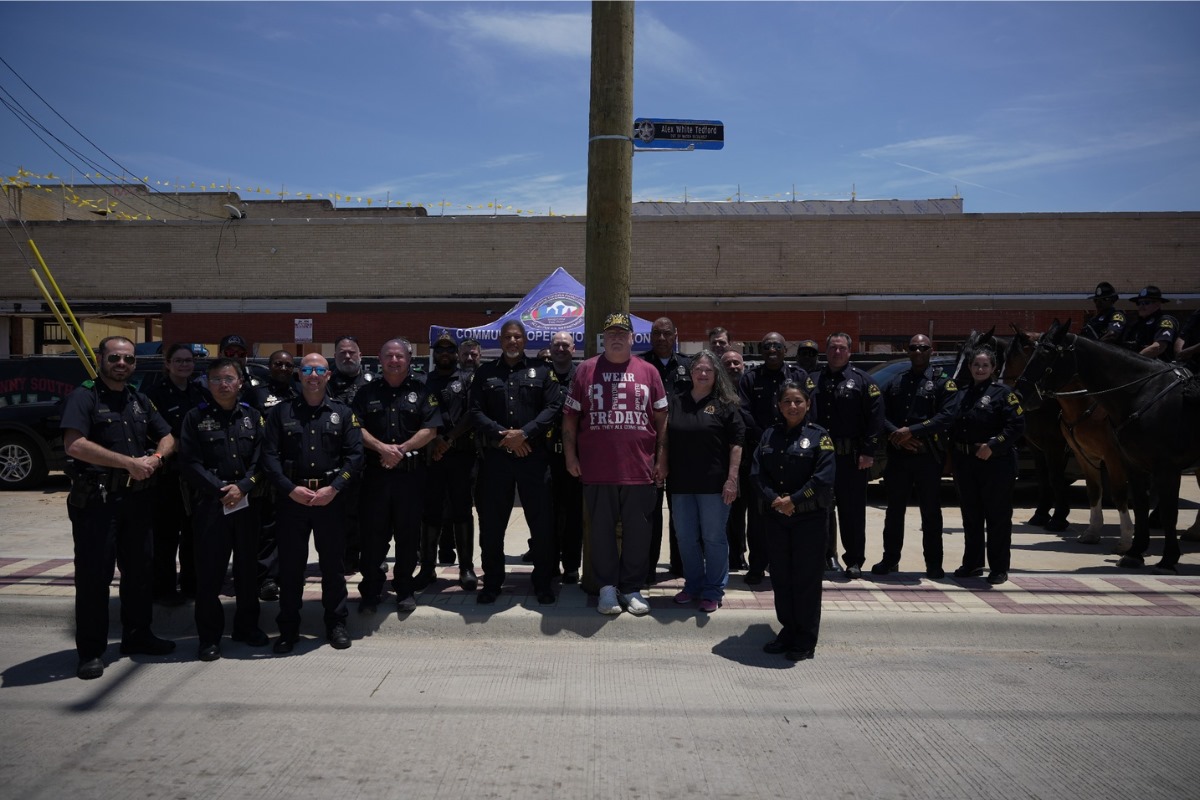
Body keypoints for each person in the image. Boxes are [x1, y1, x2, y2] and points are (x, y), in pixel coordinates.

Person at [61, 336, 177, 680]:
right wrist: (128, 462)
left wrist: (156, 458)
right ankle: (91, 651)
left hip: (137, 500)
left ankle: (138, 636)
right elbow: (74, 445)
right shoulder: (84, 396)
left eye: (128, 359)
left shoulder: (138, 399)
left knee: (140, 572)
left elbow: (168, 436)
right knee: (94, 577)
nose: (121, 364)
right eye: (114, 358)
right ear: (101, 359)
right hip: (97, 502)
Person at [563, 312, 669, 616]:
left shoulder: (649, 372)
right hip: (597, 469)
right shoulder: (585, 370)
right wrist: (571, 456)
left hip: (640, 468)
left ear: (632, 338)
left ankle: (632, 588)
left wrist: (662, 459)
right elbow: (570, 419)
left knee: (639, 532)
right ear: (603, 339)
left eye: (622, 333)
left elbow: (662, 420)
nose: (617, 338)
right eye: (611, 334)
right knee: (601, 531)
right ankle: (607, 588)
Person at [262, 353, 364, 653]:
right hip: (292, 500)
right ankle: (288, 628)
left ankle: (336, 623)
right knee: (291, 567)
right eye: (307, 369)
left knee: (332, 566)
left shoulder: (342, 413)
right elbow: (269, 457)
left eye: (319, 370)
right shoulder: (280, 412)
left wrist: (335, 488)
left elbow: (355, 456)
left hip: (329, 500)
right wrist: (289, 489)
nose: (313, 375)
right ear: (299, 374)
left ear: (328, 375)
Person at [899, 347, 1025, 585]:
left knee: (997, 516)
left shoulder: (1003, 394)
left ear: (993, 368)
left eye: (985, 365)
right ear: (969, 367)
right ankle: (973, 563)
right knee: (971, 515)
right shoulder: (962, 394)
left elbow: (1016, 426)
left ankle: (998, 567)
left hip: (996, 463)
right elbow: (951, 425)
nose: (980, 369)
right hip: (965, 462)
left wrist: (993, 445)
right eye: (976, 365)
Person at [178, 358, 268, 661]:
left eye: (229, 378)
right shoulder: (194, 417)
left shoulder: (253, 417)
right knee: (209, 574)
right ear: (208, 383)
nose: (223, 384)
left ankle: (247, 627)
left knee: (247, 570)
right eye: (216, 379)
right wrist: (221, 490)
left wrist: (243, 486)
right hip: (211, 506)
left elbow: (262, 459)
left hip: (247, 503)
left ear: (240, 382)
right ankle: (209, 637)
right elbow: (189, 462)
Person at [468, 320, 563, 605]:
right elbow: (475, 412)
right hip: (496, 460)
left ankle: (543, 582)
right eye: (508, 337)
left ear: (525, 340)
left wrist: (524, 434)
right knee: (492, 525)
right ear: (500, 340)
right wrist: (505, 437)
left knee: (542, 523)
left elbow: (553, 407)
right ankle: (492, 582)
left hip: (533, 458)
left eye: (517, 337)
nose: (512, 341)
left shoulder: (542, 371)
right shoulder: (485, 373)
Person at [353, 338, 441, 614]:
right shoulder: (365, 393)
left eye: (399, 356)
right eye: (389, 356)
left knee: (408, 535)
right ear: (380, 360)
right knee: (373, 536)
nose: (394, 361)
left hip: (410, 478)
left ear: (408, 360)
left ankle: (404, 588)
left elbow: (431, 429)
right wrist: (382, 448)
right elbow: (355, 427)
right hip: (375, 476)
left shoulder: (422, 391)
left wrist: (399, 451)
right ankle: (371, 590)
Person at [752, 381, 835, 662]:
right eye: (787, 401)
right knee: (781, 577)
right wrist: (776, 500)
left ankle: (805, 639)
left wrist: (794, 500)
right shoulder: (769, 435)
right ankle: (788, 630)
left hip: (809, 519)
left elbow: (823, 478)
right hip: (777, 517)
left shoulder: (819, 436)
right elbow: (757, 474)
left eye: (798, 401)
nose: (792, 406)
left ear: (808, 404)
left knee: (806, 580)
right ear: (779, 405)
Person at [667, 350, 744, 613]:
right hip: (681, 484)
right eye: (698, 369)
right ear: (690, 373)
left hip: (714, 486)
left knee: (713, 538)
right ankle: (693, 585)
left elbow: (737, 444)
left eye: (708, 370)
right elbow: (664, 439)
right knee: (685, 538)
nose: (702, 374)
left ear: (716, 375)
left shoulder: (726, 404)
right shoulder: (676, 402)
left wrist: (732, 479)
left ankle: (713, 590)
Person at [876, 334, 957, 578]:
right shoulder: (897, 381)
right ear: (907, 351)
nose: (918, 351)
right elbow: (879, 413)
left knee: (930, 512)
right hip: (899, 456)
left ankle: (934, 564)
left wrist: (912, 431)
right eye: (913, 347)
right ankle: (890, 560)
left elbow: (947, 416)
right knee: (894, 511)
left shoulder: (943, 382)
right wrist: (898, 434)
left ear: (931, 350)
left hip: (928, 456)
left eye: (923, 347)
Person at [737, 332, 810, 584]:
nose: (772, 350)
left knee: (792, 508)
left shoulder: (798, 376)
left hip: (794, 452)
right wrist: (767, 437)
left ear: (785, 349)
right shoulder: (750, 378)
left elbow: (808, 408)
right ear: (761, 350)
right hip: (761, 451)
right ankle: (757, 565)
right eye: (767, 346)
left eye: (777, 346)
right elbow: (744, 411)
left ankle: (787, 564)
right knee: (759, 514)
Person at [813, 332, 884, 579]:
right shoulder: (813, 381)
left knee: (851, 512)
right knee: (819, 508)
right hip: (819, 458)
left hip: (851, 458)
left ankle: (854, 560)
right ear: (826, 350)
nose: (837, 352)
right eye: (833, 347)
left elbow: (876, 419)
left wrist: (868, 451)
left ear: (849, 351)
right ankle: (821, 557)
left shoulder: (863, 381)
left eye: (842, 348)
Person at [146, 342, 204, 606]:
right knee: (166, 535)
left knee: (193, 534)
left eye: (188, 360)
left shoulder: (199, 393)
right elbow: (152, 433)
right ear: (167, 364)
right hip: (167, 476)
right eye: (178, 360)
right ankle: (164, 589)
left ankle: (192, 585)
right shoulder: (154, 395)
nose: (184, 365)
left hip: (194, 475)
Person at [423, 333, 479, 591]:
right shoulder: (424, 381)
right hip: (432, 456)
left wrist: (448, 439)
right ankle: (427, 568)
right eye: (440, 349)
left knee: (462, 510)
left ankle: (466, 568)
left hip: (461, 455)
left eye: (449, 349)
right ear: (434, 354)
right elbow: (421, 415)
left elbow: (472, 413)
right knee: (430, 511)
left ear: (456, 354)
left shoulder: (467, 380)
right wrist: (435, 440)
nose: (444, 353)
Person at [641, 316, 691, 580]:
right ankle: (647, 568)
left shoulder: (688, 365)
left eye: (666, 333)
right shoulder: (638, 366)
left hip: (682, 447)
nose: (661, 338)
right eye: (656, 333)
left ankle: (680, 566)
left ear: (675, 335)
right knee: (650, 511)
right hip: (649, 447)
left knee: (680, 510)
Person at [248, 349, 298, 602]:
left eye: (288, 365)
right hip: (266, 470)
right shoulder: (256, 394)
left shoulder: (298, 392)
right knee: (267, 527)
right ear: (269, 366)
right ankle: (266, 578)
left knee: (290, 526)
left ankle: (286, 573)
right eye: (278, 363)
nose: (284, 368)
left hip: (293, 470)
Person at [327, 335, 371, 574]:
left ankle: (371, 555)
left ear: (360, 355)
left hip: (368, 458)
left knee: (369, 511)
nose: (347, 356)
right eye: (342, 352)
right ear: (334, 356)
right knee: (342, 513)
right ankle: (347, 556)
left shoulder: (371, 383)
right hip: (337, 459)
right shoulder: (326, 383)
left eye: (351, 352)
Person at [545, 331, 583, 583]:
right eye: (556, 344)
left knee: (573, 514)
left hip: (575, 458)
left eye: (565, 345)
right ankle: (548, 563)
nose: (560, 349)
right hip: (545, 457)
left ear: (573, 348)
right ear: (550, 348)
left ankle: (571, 565)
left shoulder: (582, 375)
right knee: (547, 514)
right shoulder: (540, 375)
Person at [721, 349, 752, 571]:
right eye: (728, 364)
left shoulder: (750, 388)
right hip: (724, 459)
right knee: (729, 511)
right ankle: (730, 554)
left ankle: (743, 553)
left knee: (748, 511)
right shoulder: (715, 391)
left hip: (751, 457)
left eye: (736, 363)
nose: (733, 367)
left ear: (743, 366)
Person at [1121, 285, 1179, 362]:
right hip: (1140, 365)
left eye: (1146, 303)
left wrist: (1133, 360)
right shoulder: (1137, 324)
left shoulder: (1165, 321)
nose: (1141, 306)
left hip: (1160, 366)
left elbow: (1159, 347)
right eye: (1139, 303)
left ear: (1158, 304)